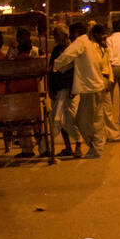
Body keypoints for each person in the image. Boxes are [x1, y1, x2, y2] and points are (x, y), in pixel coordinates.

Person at [52, 20, 106, 158]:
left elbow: (67, 56)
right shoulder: (89, 44)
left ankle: (94, 147)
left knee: (83, 121)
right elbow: (76, 64)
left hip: (90, 89)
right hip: (96, 87)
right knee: (94, 120)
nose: (69, 36)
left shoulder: (80, 42)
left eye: (71, 33)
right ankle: (97, 147)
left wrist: (55, 66)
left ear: (75, 32)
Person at [48, 27, 79, 157]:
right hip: (58, 88)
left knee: (70, 118)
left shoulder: (71, 49)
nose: (56, 38)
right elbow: (51, 69)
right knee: (60, 120)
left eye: (57, 35)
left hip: (68, 88)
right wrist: (50, 88)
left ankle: (78, 145)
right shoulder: (56, 50)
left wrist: (75, 88)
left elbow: (77, 71)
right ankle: (68, 148)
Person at [89, 23, 120, 144]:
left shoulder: (105, 49)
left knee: (108, 109)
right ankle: (99, 137)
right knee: (97, 112)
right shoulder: (91, 48)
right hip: (97, 81)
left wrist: (110, 80)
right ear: (95, 35)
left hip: (106, 80)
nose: (104, 37)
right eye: (101, 35)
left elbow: (108, 66)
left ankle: (112, 135)